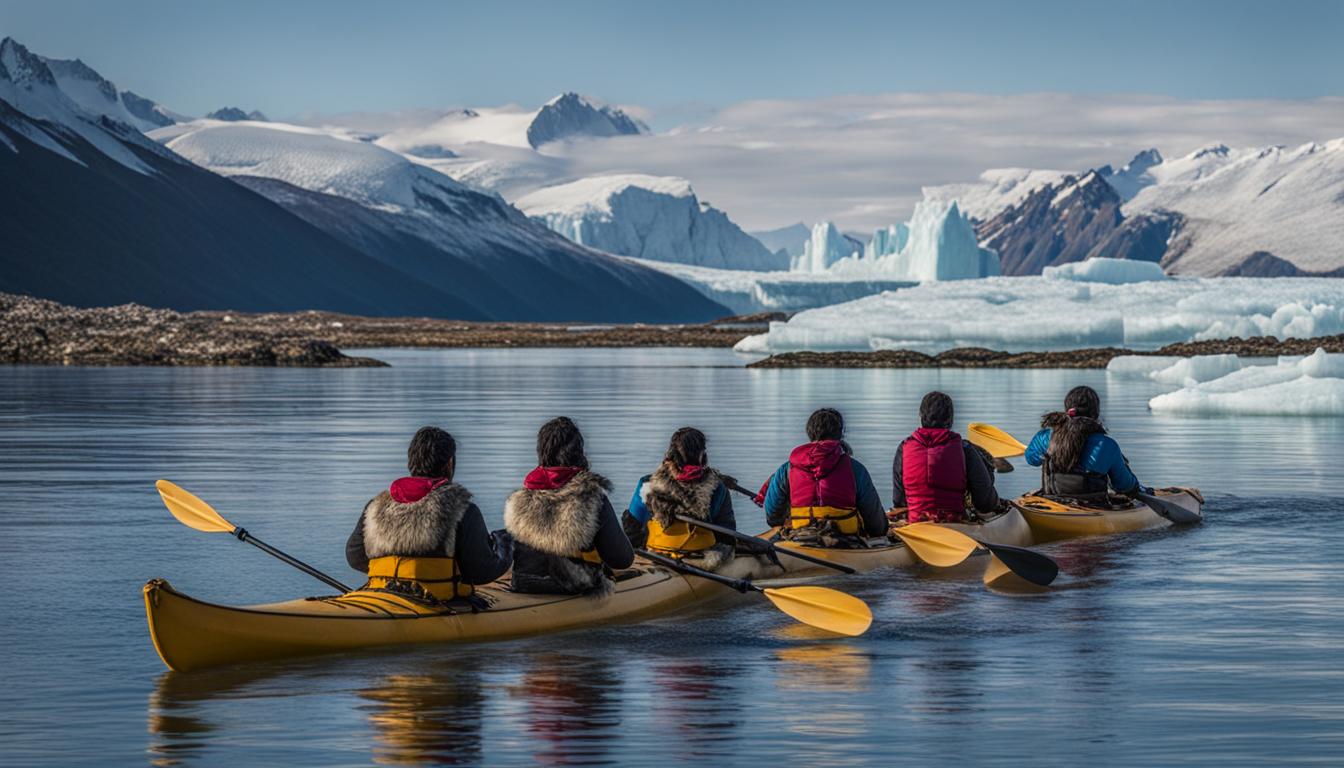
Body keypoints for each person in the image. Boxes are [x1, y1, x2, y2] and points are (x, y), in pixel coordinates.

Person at [346, 426, 512, 602]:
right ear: (449, 464)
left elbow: (355, 556)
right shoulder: (462, 509)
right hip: (440, 604)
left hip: (383, 595)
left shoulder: (375, 506)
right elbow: (481, 572)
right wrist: (505, 546)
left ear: (410, 462)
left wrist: (401, 573)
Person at [504, 417, 634, 595]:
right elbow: (622, 560)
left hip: (524, 584)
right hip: (573, 587)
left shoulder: (519, 498)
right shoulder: (591, 497)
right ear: (579, 453)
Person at [761, 407, 888, 543]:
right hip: (844, 541)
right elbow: (877, 526)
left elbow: (772, 517)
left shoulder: (786, 470)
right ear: (840, 435)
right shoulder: (856, 469)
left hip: (799, 537)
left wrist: (790, 520)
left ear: (810, 434)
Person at [623, 427, 737, 571]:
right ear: (702, 455)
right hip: (700, 557)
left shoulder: (647, 483)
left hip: (656, 553)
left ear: (670, 453)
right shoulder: (718, 488)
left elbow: (631, 530)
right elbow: (726, 537)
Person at [1025, 385, 1151, 502]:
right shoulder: (1106, 445)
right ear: (1096, 413)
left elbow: (1031, 459)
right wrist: (1138, 488)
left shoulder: (1045, 437)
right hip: (1092, 505)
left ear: (1067, 410)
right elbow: (1123, 485)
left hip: (1054, 500)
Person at [891, 391, 999, 523]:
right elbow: (985, 502)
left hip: (916, 525)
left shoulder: (904, 448)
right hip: (955, 525)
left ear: (920, 416)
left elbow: (899, 501)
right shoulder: (964, 449)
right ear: (951, 419)